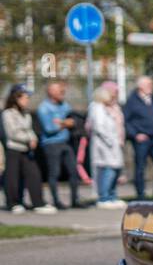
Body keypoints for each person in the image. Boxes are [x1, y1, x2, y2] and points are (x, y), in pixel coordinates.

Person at [3, 85, 54, 213]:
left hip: (26, 150)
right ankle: (13, 203)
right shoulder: (8, 114)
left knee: (34, 175)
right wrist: (28, 139)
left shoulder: (26, 114)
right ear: (16, 98)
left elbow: (30, 130)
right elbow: (12, 133)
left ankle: (38, 202)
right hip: (14, 148)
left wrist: (33, 138)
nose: (27, 100)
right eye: (25, 97)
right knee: (12, 177)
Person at [37, 81, 80, 210]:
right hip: (51, 144)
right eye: (59, 90)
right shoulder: (44, 108)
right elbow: (49, 128)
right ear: (51, 92)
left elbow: (74, 121)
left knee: (73, 171)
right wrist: (65, 123)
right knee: (54, 173)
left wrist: (62, 123)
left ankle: (75, 201)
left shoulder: (64, 105)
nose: (63, 92)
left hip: (65, 142)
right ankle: (56, 201)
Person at [123, 76, 153, 199]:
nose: (151, 86)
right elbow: (126, 121)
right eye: (148, 84)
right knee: (141, 167)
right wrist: (135, 134)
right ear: (140, 86)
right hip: (142, 140)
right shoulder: (132, 101)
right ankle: (141, 194)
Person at [86, 82, 126, 208]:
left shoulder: (113, 107)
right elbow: (99, 126)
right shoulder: (97, 107)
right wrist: (110, 140)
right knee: (108, 170)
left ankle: (112, 196)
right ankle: (104, 197)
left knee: (115, 170)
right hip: (105, 144)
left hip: (114, 143)